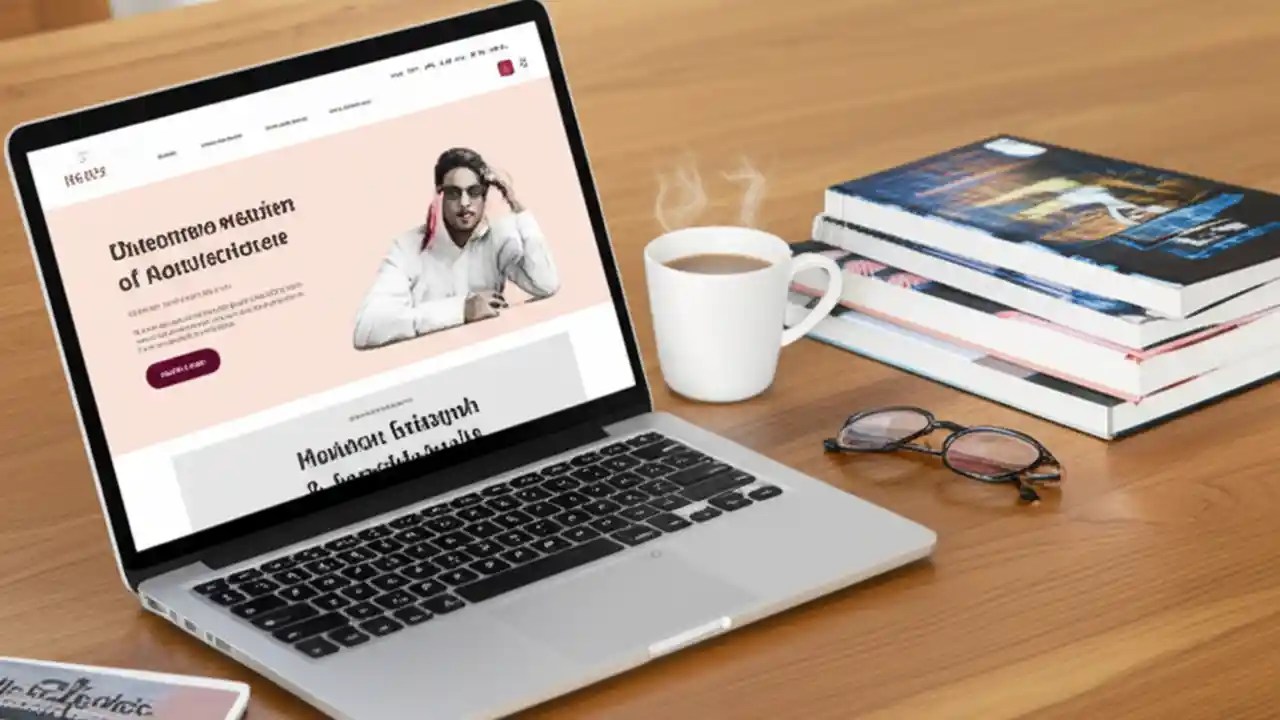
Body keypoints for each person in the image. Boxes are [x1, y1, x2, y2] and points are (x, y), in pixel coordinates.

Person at [353, 148, 560, 350]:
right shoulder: (407, 248)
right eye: (453, 193)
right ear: (439, 197)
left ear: (484, 196)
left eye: (474, 192)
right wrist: (461, 310)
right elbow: (368, 328)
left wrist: (516, 204)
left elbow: (546, 284)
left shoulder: (497, 239)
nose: (464, 203)